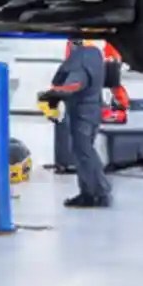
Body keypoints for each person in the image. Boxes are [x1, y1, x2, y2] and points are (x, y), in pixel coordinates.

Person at [40, 38, 111, 207]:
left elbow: (75, 84)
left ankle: (100, 192)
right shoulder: (94, 54)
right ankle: (88, 192)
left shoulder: (82, 57)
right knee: (82, 152)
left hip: (83, 112)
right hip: (90, 110)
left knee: (84, 151)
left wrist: (53, 94)